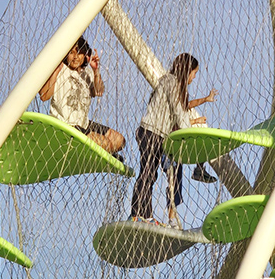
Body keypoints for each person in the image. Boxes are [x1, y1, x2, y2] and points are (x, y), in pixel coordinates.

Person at [131, 54, 207, 224]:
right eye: (194, 73)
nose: (194, 77)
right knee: (147, 174)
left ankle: (146, 215)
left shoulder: (169, 82)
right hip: (151, 132)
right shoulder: (172, 82)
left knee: (150, 174)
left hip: (155, 134)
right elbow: (179, 112)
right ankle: (136, 214)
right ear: (187, 70)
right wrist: (190, 134)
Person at [39, 37, 125, 156]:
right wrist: (55, 71)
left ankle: (101, 151)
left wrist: (95, 71)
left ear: (85, 55)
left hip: (83, 124)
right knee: (104, 142)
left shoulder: (87, 73)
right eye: (72, 53)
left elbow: (99, 91)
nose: (75, 57)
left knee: (119, 140)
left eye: (79, 53)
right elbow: (44, 96)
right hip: (65, 125)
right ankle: (100, 151)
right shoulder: (60, 69)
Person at [162, 85, 219, 228]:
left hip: (178, 151)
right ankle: (170, 220)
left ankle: (199, 169)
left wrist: (206, 99)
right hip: (168, 151)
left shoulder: (183, 107)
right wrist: (196, 121)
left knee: (177, 185)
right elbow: (175, 126)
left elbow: (190, 104)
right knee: (173, 183)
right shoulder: (171, 109)